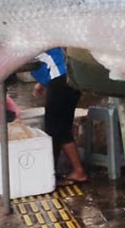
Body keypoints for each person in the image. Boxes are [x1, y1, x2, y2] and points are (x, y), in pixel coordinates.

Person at [31, 48, 88, 183]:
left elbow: (51, 64)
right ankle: (52, 171)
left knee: (57, 128)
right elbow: (51, 63)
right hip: (71, 78)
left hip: (60, 81)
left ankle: (78, 171)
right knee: (59, 127)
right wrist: (41, 84)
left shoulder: (31, 42)